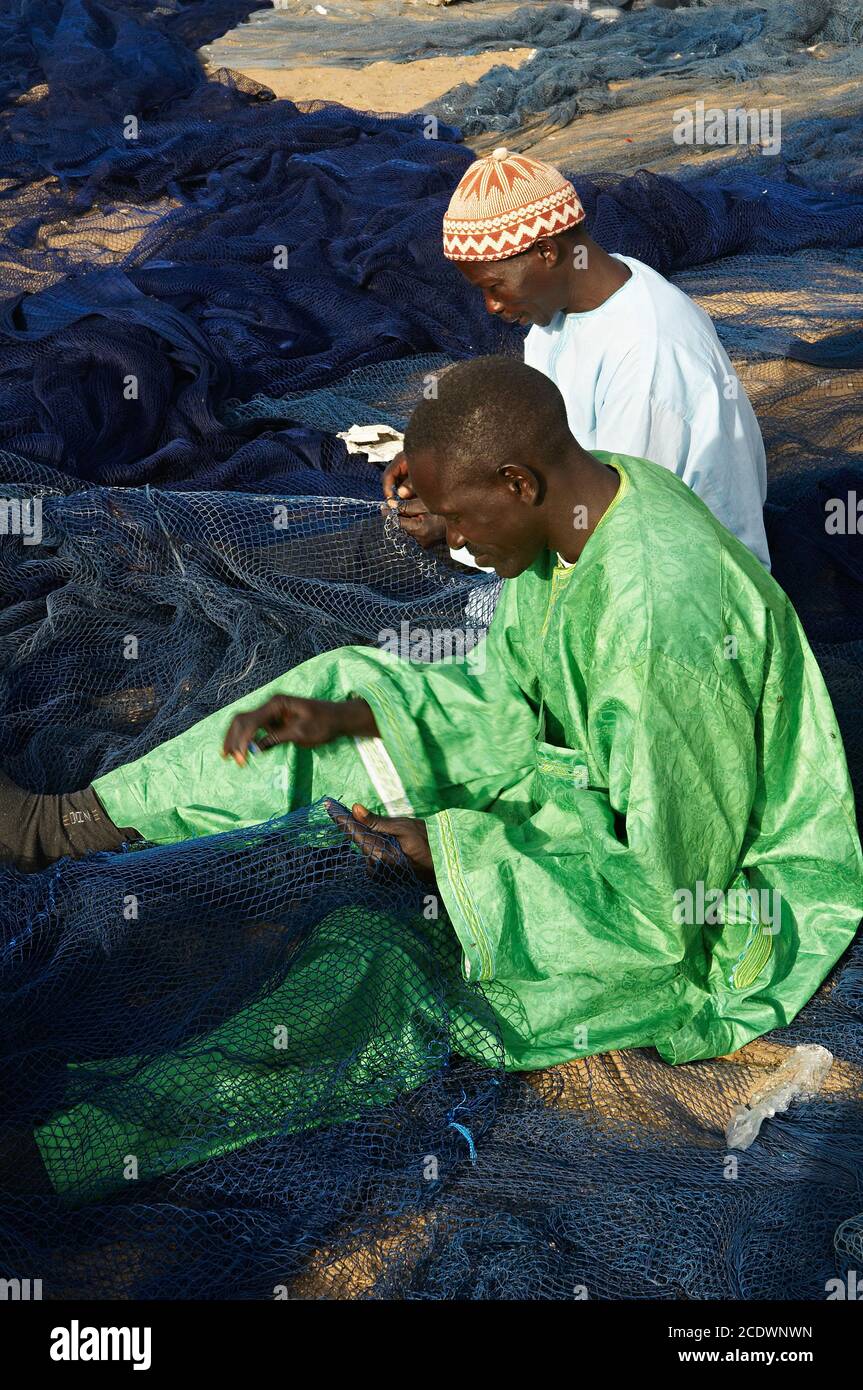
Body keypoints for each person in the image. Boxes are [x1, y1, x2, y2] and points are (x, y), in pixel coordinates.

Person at [2, 357, 860, 1197]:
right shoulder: (591, 494)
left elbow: (665, 892)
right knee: (347, 695)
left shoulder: (659, 624)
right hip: (559, 759)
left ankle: (73, 1144)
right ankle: (72, 825)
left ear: (518, 483)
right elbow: (508, 691)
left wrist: (451, 857)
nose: (449, 539)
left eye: (455, 518)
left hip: (712, 914)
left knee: (387, 964)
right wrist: (449, 512)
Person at [385, 148, 771, 571]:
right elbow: (535, 432)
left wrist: (456, 524)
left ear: (547, 252)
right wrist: (445, 467)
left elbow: (609, 529)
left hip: (678, 578)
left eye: (495, 286)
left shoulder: (649, 357)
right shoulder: (568, 306)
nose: (491, 307)